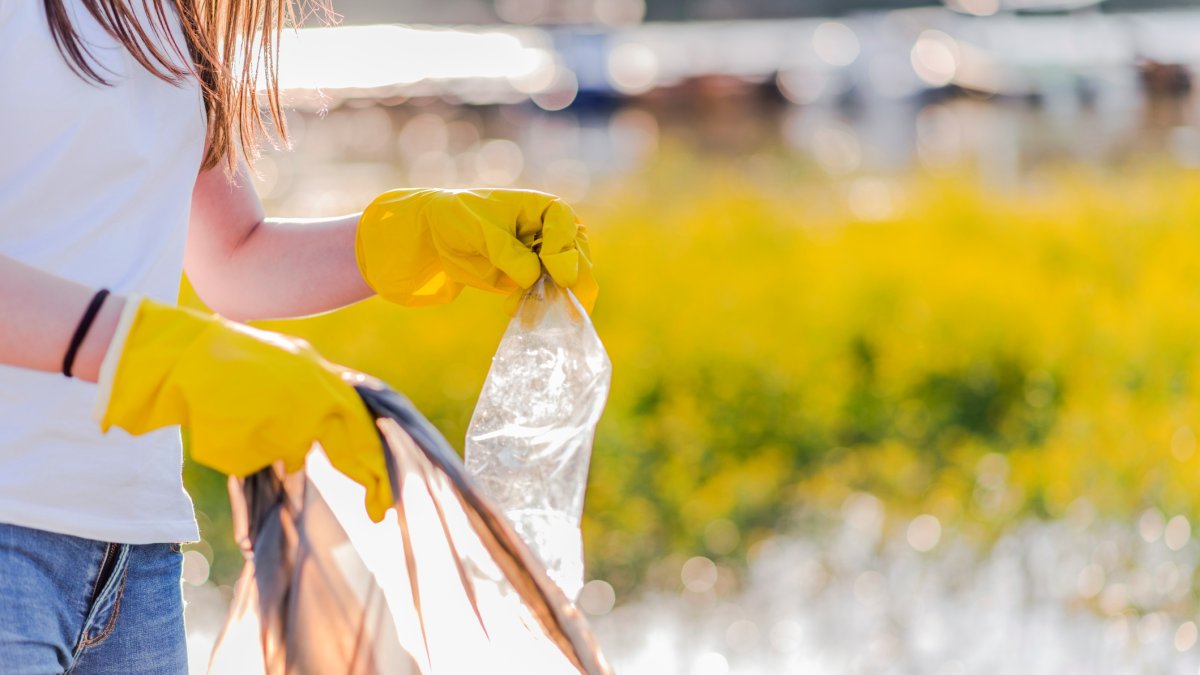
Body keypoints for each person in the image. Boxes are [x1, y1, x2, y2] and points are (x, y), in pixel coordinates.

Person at [0, 0, 596, 670]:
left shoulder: (168, 14)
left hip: (134, 553)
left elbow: (234, 254)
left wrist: (413, 236)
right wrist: (151, 352)